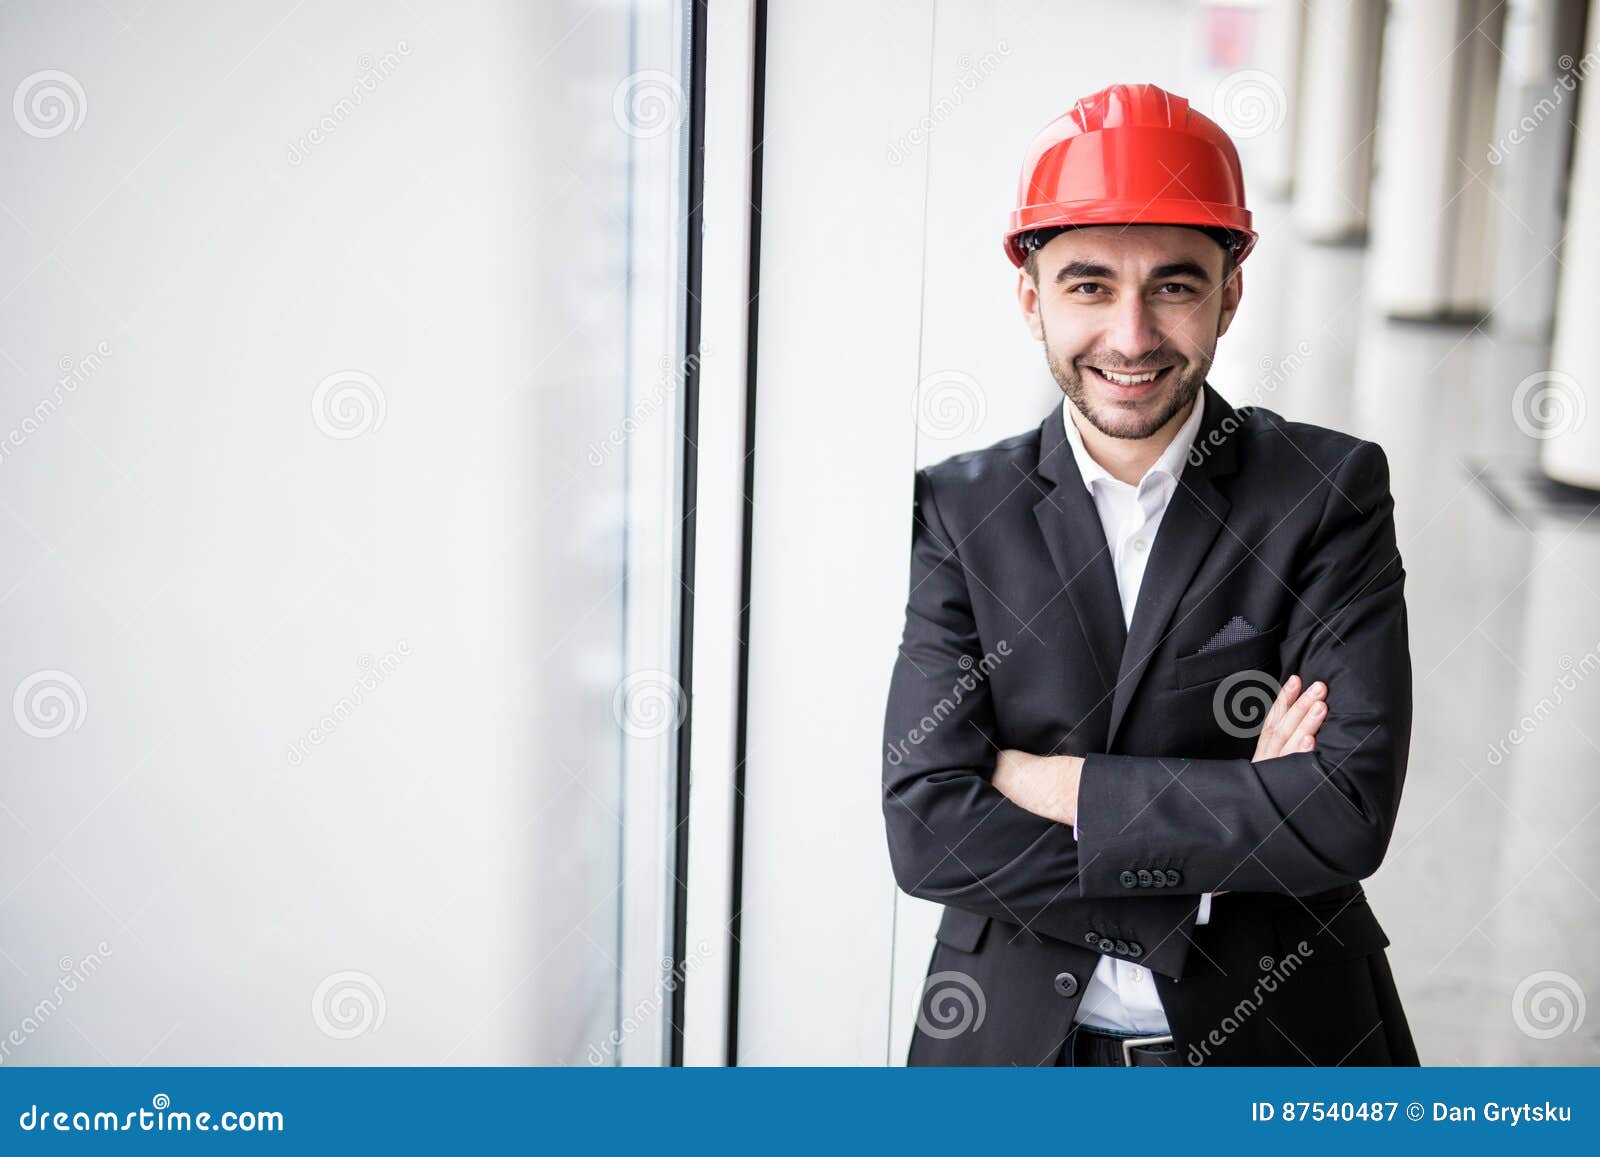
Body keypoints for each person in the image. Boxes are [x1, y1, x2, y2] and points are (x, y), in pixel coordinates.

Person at [882, 83, 1418, 1066]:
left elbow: (1342, 815)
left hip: (1282, 1041)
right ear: (1029, 295)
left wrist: (1059, 782)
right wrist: (1235, 817)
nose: (1131, 336)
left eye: (1172, 285)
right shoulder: (962, 511)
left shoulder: (1326, 491)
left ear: (1229, 291)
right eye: (1089, 285)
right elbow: (928, 829)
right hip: (1014, 1045)